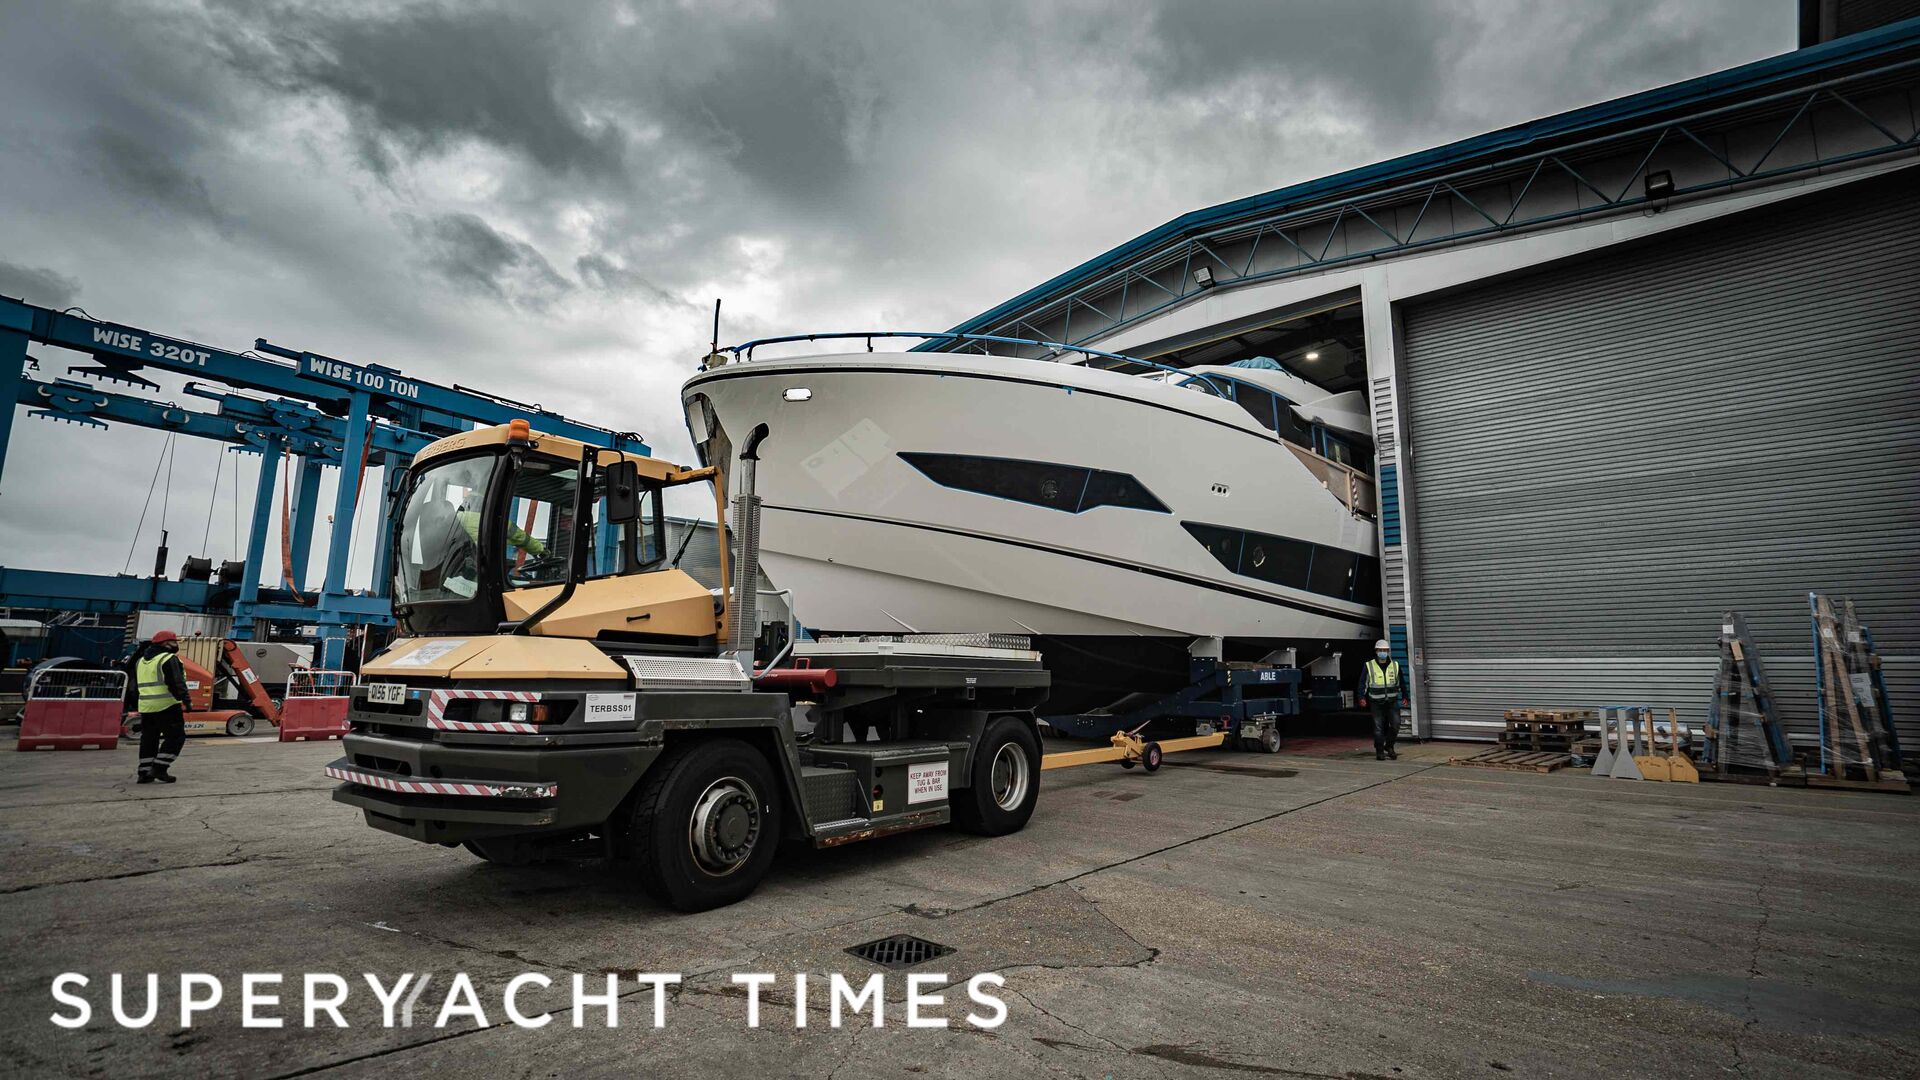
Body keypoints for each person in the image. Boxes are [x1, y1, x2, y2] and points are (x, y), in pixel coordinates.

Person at [130, 630, 190, 784]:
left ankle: (144, 772)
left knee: (149, 739)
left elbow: (134, 685)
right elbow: (176, 682)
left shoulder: (141, 661)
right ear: (166, 643)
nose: (176, 645)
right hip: (167, 705)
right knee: (176, 737)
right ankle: (159, 768)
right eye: (174, 642)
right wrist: (185, 700)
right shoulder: (168, 658)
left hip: (146, 707)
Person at [1357, 639, 1408, 761]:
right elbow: (1362, 683)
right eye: (1380, 650)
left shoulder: (1395, 665)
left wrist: (1405, 696)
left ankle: (1389, 746)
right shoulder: (1369, 665)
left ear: (1388, 651)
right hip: (1376, 702)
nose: (1383, 652)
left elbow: (1401, 682)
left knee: (1396, 724)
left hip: (1392, 701)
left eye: (1385, 650)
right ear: (1376, 651)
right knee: (1378, 728)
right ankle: (1379, 750)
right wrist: (1361, 697)